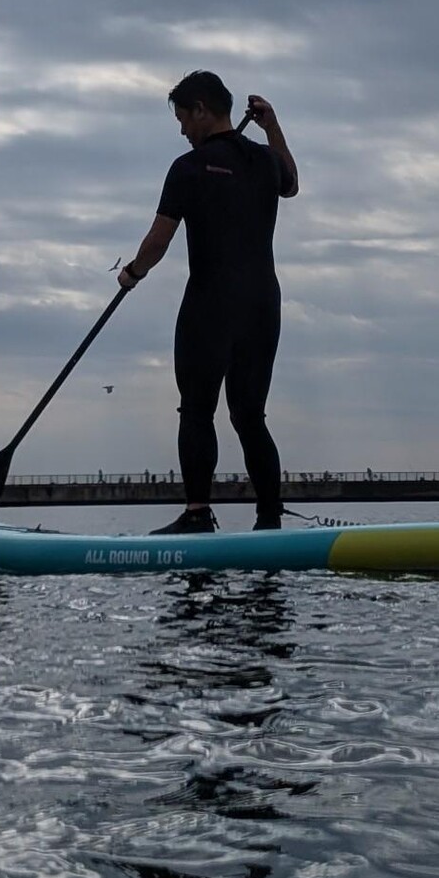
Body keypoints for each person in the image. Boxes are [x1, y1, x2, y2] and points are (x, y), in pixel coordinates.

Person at [118, 70, 298, 533]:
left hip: (210, 305)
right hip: (263, 305)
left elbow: (158, 240)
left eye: (182, 118)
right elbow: (291, 183)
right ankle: (269, 520)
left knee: (197, 409)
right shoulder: (263, 159)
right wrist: (272, 127)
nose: (181, 130)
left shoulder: (188, 168)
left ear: (201, 109)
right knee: (249, 416)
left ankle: (197, 515)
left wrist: (132, 273)